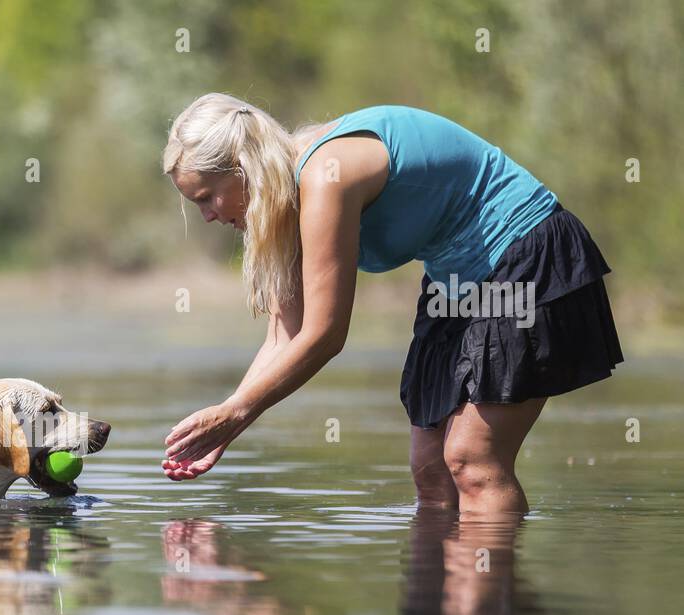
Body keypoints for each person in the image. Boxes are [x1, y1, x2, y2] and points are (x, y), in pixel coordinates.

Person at [161, 96, 623, 514]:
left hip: (524, 250)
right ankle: (441, 604)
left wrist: (238, 411)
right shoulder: (287, 202)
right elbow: (284, 336)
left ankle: (486, 605)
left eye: (207, 197)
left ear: (246, 168)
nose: (208, 216)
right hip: (455, 281)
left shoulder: (325, 176)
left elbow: (324, 335)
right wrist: (227, 421)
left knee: (473, 460)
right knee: (432, 471)